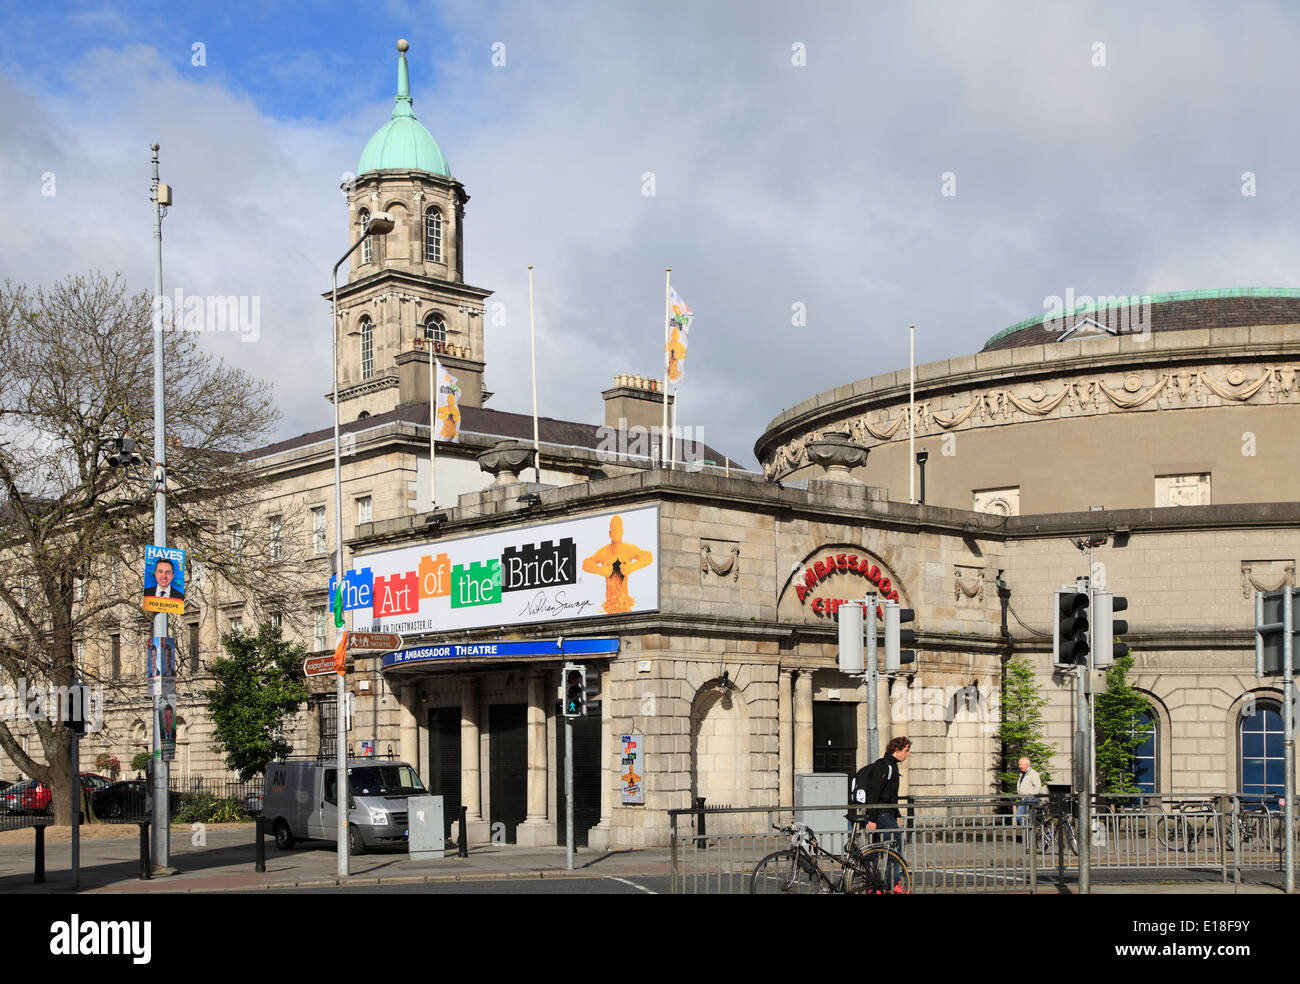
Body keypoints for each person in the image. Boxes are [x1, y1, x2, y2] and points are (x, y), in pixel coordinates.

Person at [850, 735, 911, 891]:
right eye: (906, 750)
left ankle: (876, 883)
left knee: (882, 848)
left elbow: (890, 796)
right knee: (896, 843)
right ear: (897, 749)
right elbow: (875, 794)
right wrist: (872, 818)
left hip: (887, 813)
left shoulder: (893, 766)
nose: (908, 754)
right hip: (881, 814)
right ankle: (892, 883)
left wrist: (897, 815)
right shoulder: (883, 766)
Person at [582, 515, 654, 614]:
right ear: (609, 533)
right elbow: (586, 564)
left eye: (618, 529)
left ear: (622, 531)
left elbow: (648, 556)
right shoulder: (604, 552)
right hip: (609, 604)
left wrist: (632, 567)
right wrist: (600, 570)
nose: (616, 531)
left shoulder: (629, 549)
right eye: (613, 529)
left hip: (624, 603)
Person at [1015, 756, 1042, 828]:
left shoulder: (1033, 773)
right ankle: (1026, 832)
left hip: (1030, 799)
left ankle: (1030, 835)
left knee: (1030, 818)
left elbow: (1038, 786)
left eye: (1021, 764)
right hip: (1022, 799)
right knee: (1019, 817)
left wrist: (1032, 796)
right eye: (1019, 764)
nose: (1019, 766)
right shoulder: (1022, 774)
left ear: (1027, 764)